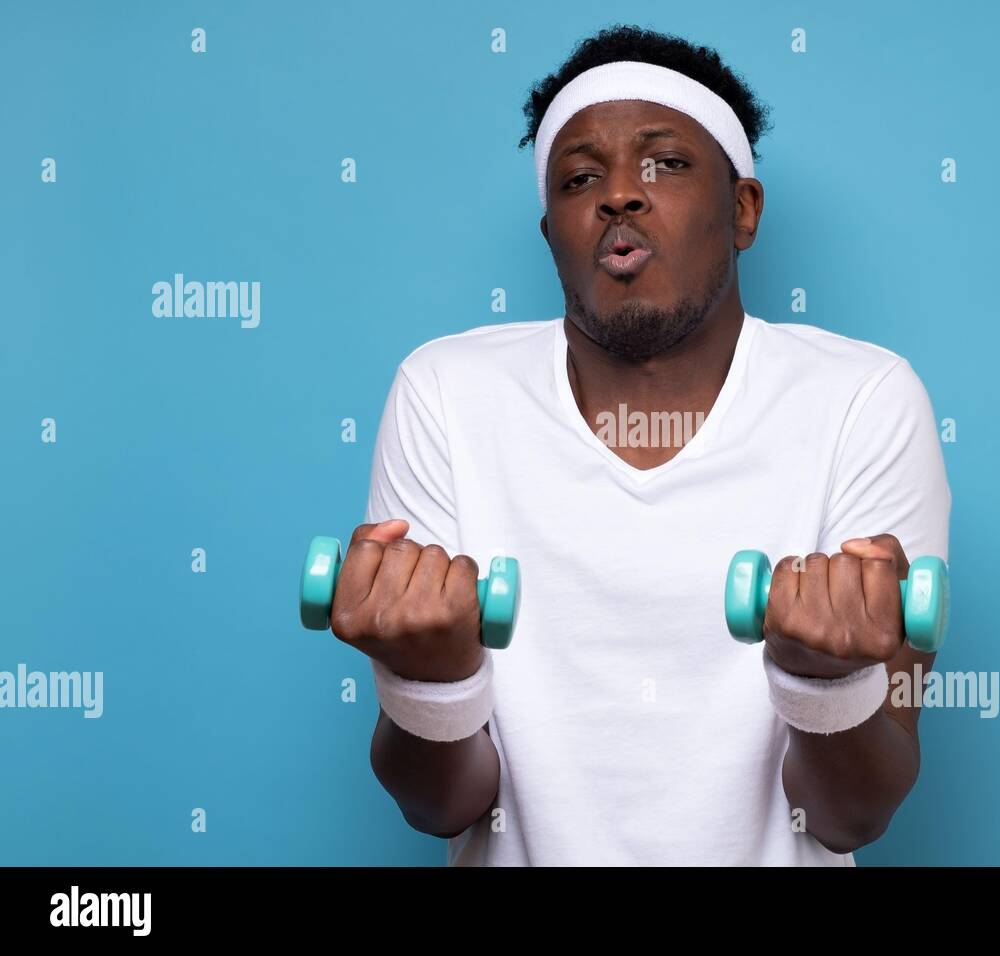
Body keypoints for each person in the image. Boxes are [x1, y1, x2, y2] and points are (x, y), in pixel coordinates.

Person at [330, 24, 952, 866]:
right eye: (581, 178)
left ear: (743, 209)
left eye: (663, 164)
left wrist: (825, 681)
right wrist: (429, 677)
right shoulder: (446, 392)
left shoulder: (863, 400)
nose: (619, 195)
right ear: (552, 234)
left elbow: (853, 817)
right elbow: (442, 808)